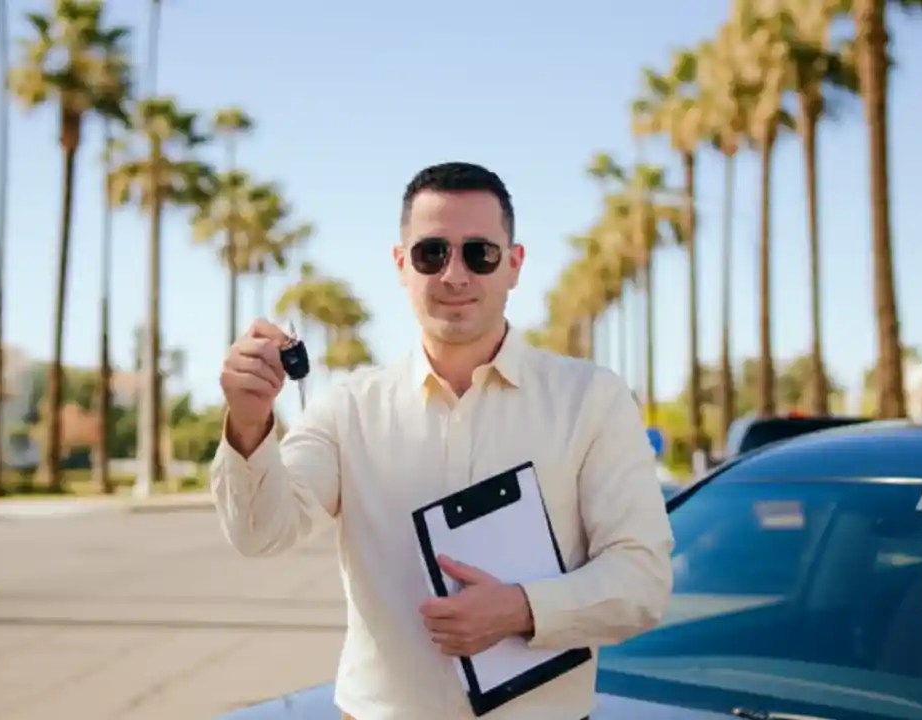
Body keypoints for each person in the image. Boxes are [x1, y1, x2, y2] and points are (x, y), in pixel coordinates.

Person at [212, 161, 674, 719]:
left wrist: (521, 609)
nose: (456, 274)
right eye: (433, 253)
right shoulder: (348, 410)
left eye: (480, 253)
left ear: (514, 265)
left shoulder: (592, 400)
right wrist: (248, 422)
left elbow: (642, 582)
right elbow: (262, 534)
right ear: (402, 264)